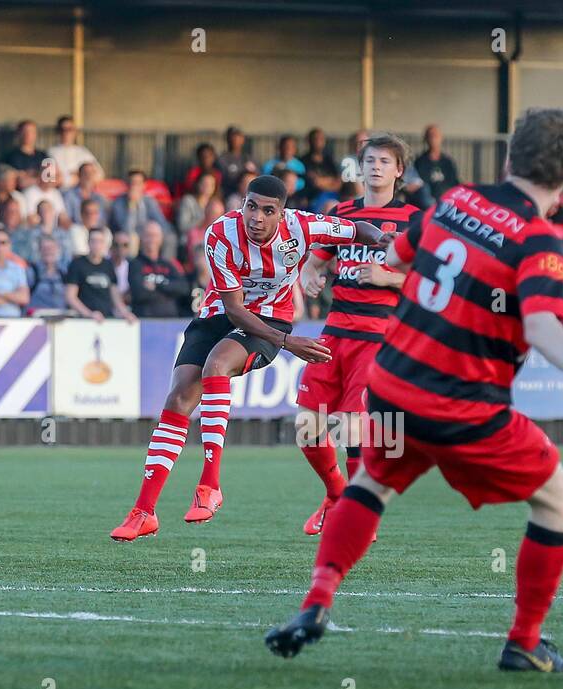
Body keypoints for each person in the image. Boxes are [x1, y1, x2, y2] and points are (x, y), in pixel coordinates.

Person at [264, 109, 563, 671]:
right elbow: (544, 326)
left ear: (509, 158)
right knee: (557, 493)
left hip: (395, 382)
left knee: (371, 480)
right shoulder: (540, 244)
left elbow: (396, 257)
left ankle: (316, 601)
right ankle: (524, 642)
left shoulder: (457, 202)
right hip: (462, 403)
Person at [110, 174, 387, 542]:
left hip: (271, 318)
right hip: (223, 314)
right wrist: (289, 343)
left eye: (267, 210)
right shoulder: (220, 234)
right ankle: (144, 511)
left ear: (282, 214)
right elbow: (234, 309)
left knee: (217, 365)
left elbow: (356, 230)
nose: (256, 217)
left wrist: (384, 239)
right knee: (177, 399)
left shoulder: (303, 226)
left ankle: (210, 484)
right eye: (250, 206)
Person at [294, 133, 422, 535]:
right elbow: (317, 260)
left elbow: (433, 283)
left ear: (399, 170)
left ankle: (354, 516)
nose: (376, 167)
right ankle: (335, 495)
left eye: (386, 161)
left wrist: (388, 276)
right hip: (333, 334)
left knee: (351, 427)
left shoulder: (415, 221)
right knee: (307, 428)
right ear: (360, 166)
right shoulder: (343, 212)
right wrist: (310, 272)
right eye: (370, 160)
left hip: (378, 337)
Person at [64, 227, 135, 323]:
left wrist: (125, 313)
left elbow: (115, 295)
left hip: (106, 319)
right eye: (94, 241)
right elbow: (70, 297)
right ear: (88, 243)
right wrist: (89, 314)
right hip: (83, 321)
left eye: (100, 241)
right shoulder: (77, 264)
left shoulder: (108, 265)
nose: (97, 245)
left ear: (104, 244)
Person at [127, 221, 190, 317]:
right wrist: (169, 292)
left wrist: (157, 286)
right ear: (141, 238)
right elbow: (139, 293)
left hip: (171, 322)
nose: (152, 239)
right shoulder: (135, 264)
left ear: (161, 239)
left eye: (155, 235)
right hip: (145, 321)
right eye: (148, 235)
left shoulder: (168, 265)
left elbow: (183, 288)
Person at [47, 115, 102, 187]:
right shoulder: (51, 152)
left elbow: (99, 174)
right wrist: (79, 175)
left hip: (80, 192)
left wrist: (75, 176)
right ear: (58, 131)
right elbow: (49, 179)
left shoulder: (83, 152)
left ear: (75, 131)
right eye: (63, 129)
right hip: (59, 192)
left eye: (69, 129)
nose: (66, 133)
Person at [414, 124, 460, 199]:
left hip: (446, 199)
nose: (433, 139)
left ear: (441, 138)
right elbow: (419, 183)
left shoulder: (448, 162)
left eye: (436, 136)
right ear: (425, 139)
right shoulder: (420, 161)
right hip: (428, 203)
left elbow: (454, 182)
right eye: (430, 136)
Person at [27, 235, 68, 313]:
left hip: (61, 318)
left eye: (51, 248)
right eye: (45, 248)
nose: (48, 251)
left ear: (58, 249)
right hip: (36, 318)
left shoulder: (64, 272)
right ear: (39, 250)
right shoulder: (32, 271)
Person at [216, 126, 256, 196]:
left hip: (249, 195)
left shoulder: (249, 158)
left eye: (238, 136)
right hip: (229, 196)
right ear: (227, 139)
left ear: (243, 139)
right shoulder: (221, 159)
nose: (235, 139)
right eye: (233, 136)